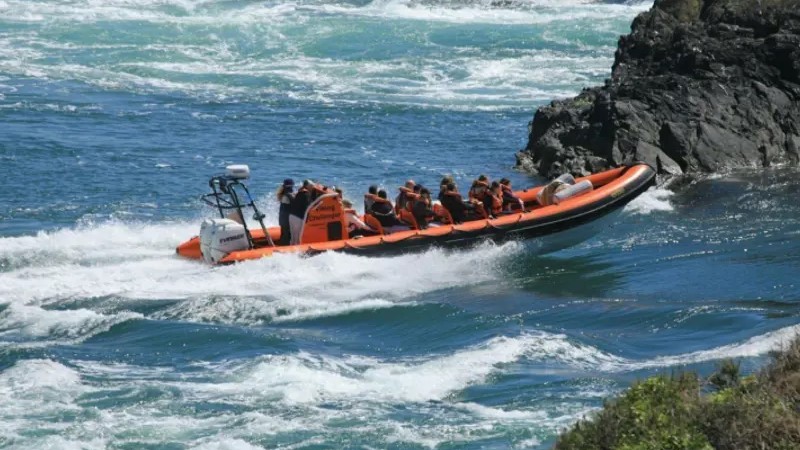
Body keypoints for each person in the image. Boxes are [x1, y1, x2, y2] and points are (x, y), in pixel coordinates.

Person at [288, 179, 314, 245]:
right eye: (311, 186)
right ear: (308, 186)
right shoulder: (306, 194)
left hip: (291, 216)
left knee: (293, 237)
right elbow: (308, 207)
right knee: (298, 238)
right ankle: (296, 253)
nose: (312, 187)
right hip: (298, 218)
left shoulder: (299, 192)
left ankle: (291, 250)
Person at [276, 178, 295, 245]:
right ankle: (284, 248)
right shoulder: (288, 195)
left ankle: (282, 245)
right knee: (286, 235)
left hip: (283, 219)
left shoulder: (284, 194)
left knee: (284, 234)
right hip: (286, 219)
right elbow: (294, 203)